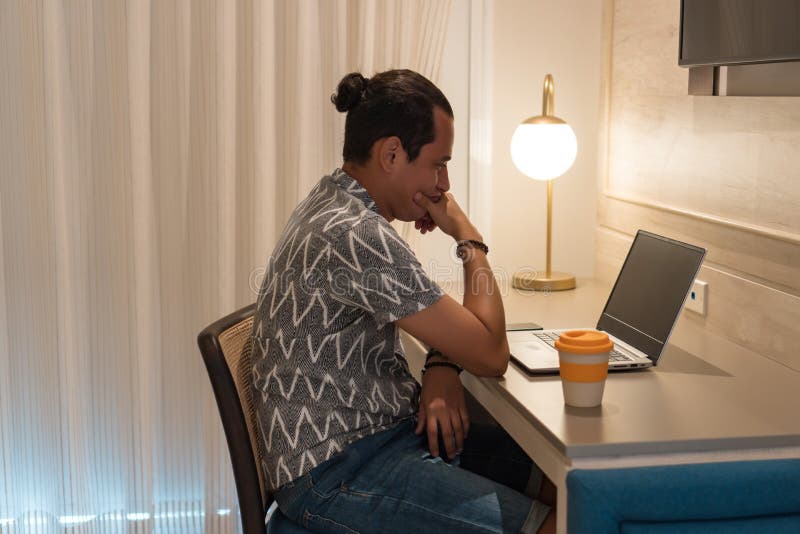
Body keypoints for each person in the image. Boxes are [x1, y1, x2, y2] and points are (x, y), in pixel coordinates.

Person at [250, 69, 555, 533]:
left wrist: (441, 364)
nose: (444, 184)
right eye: (438, 164)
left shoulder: (333, 201)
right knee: (555, 522)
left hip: (373, 437)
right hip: (337, 469)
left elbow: (441, 320)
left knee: (557, 482)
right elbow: (491, 352)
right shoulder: (356, 234)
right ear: (391, 154)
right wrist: (468, 237)